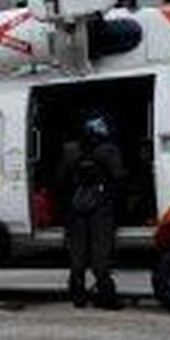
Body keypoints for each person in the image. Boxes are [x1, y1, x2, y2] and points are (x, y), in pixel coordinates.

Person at [57, 113, 126, 310]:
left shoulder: (70, 151)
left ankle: (78, 297)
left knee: (77, 259)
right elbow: (120, 178)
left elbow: (59, 181)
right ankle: (107, 298)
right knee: (100, 258)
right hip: (101, 211)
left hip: (75, 211)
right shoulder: (109, 151)